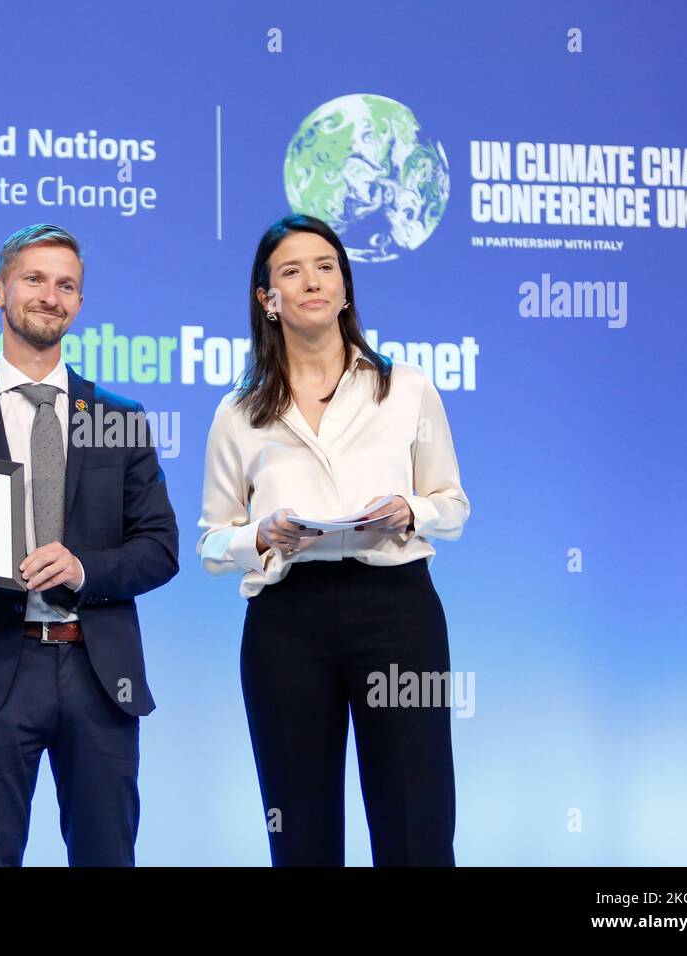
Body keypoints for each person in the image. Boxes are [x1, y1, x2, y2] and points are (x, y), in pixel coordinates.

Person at [197, 213, 470, 866]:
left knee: (416, 820)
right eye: (291, 271)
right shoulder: (238, 411)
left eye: (326, 267)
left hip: (396, 609)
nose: (312, 281)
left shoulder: (406, 389)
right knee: (301, 830)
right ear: (267, 300)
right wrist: (259, 535)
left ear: (346, 289)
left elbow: (453, 507)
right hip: (288, 622)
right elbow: (210, 543)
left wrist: (408, 509)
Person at [0, 223, 179, 866]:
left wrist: (85, 568)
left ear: (80, 303)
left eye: (67, 285)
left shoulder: (117, 418)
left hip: (98, 672)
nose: (50, 296)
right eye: (34, 279)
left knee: (107, 855)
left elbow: (160, 547)